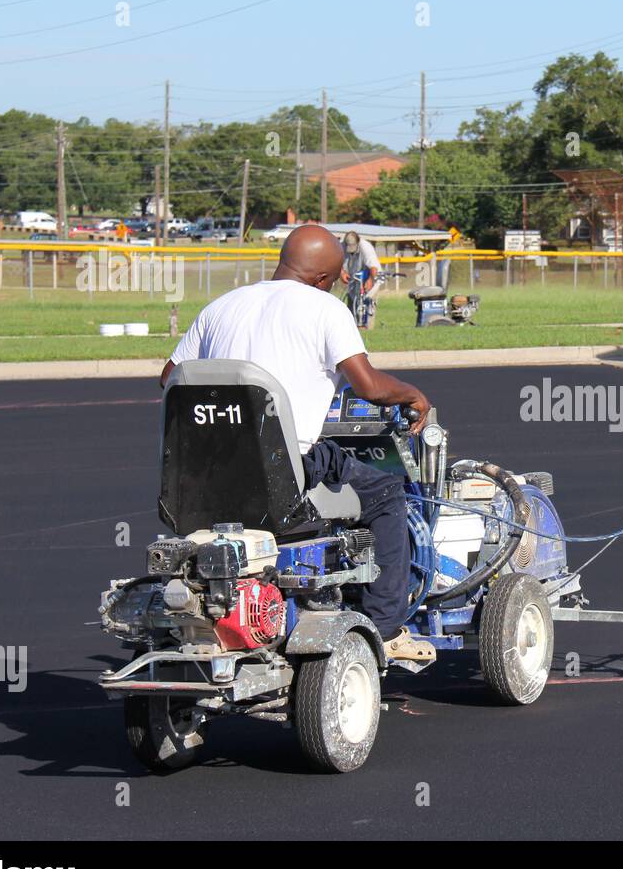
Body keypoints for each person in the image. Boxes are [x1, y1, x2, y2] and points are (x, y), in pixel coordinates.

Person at [159, 224, 435, 663]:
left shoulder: (221, 306)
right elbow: (367, 386)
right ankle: (386, 626)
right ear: (325, 279)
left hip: (204, 476)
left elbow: (171, 378)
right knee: (386, 492)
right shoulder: (325, 310)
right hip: (284, 470)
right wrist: (412, 394)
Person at [340, 231, 382, 329]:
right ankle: (352, 328)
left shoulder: (366, 247)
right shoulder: (341, 245)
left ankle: (368, 329)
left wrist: (370, 280)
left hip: (371, 277)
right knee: (352, 306)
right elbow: (336, 260)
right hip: (354, 279)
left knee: (368, 305)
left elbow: (373, 267)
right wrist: (341, 272)